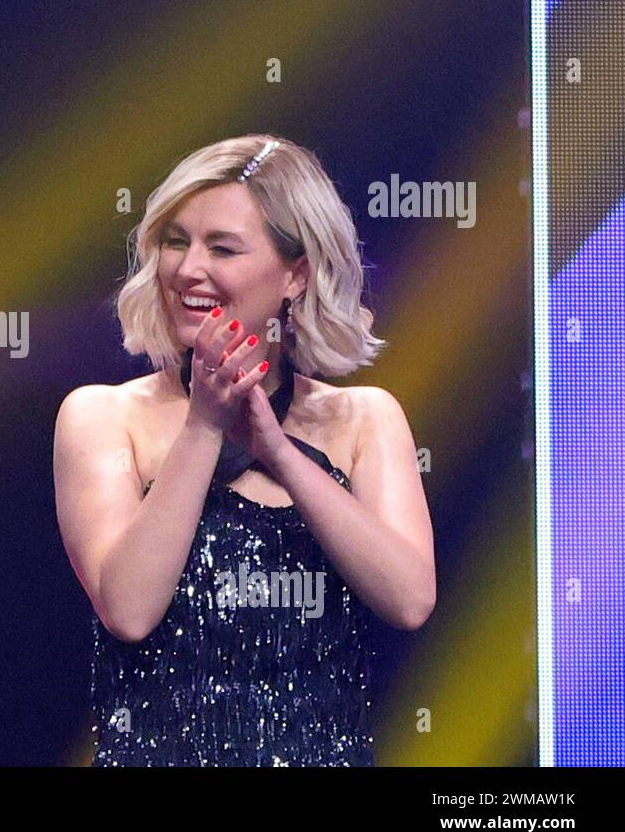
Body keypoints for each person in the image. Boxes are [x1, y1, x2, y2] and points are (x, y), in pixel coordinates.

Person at [53, 135, 435, 766]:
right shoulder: (100, 416)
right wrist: (204, 426)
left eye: (222, 248)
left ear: (297, 272)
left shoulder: (364, 418)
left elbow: (410, 599)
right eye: (176, 241)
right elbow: (129, 609)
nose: (186, 269)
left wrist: (283, 455)